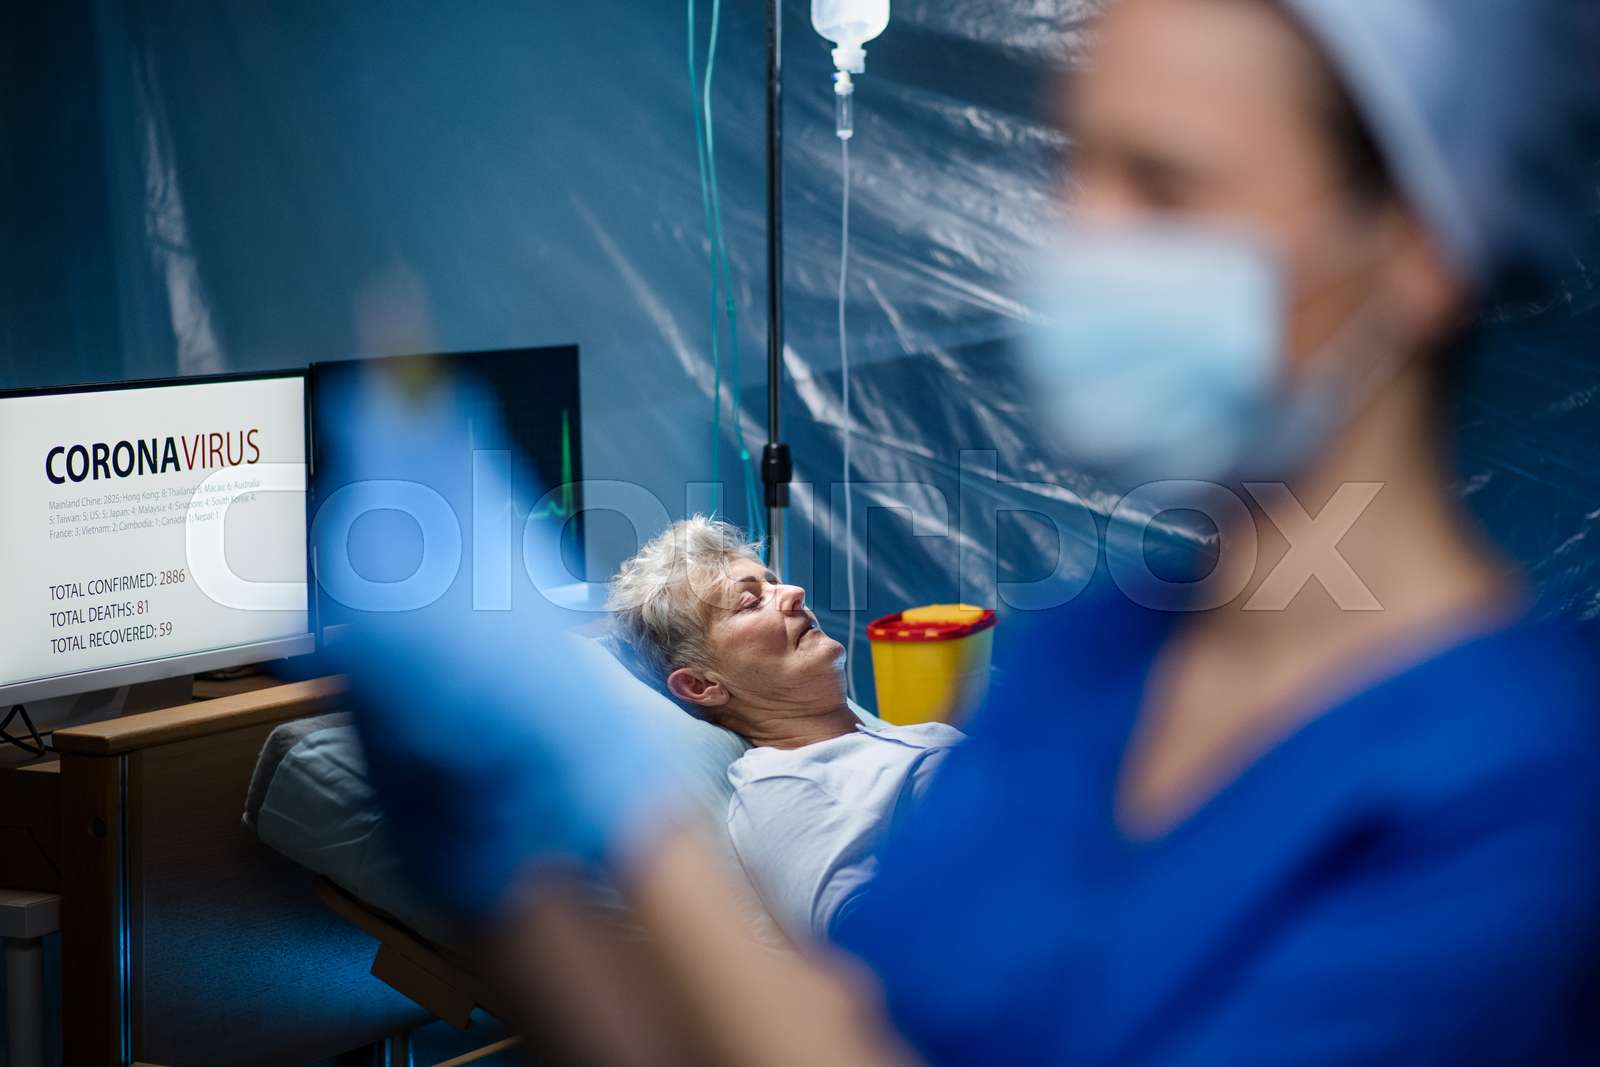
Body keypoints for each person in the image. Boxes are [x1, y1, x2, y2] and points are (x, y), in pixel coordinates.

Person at [324, 0, 1600, 1063]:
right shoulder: (1094, 655)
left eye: (1164, 186)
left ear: (1418, 248)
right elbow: (850, 1030)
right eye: (1072, 172)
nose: (1080, 244)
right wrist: (514, 877)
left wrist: (624, 809)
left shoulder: (1525, 788)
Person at [606, 516, 963, 938]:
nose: (795, 593)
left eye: (773, 583)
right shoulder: (784, 787)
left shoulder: (886, 741)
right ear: (701, 685)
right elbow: (868, 945)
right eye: (750, 602)